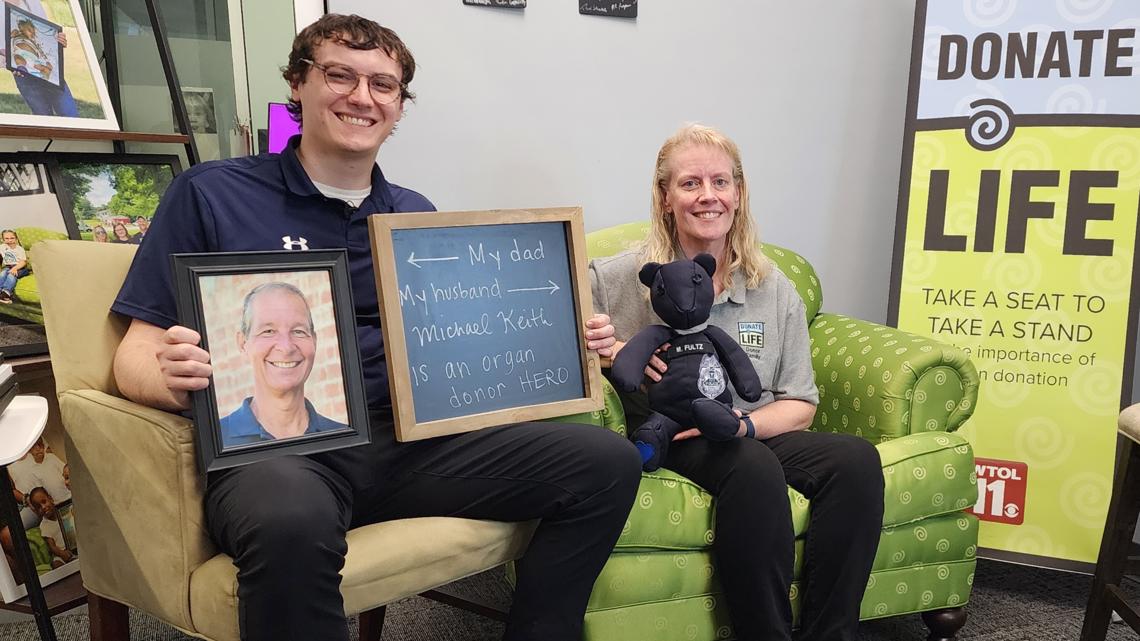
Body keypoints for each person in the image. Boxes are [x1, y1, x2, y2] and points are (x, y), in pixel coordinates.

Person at [110, 14, 640, 641]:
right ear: (298, 84)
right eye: (340, 75)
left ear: (397, 108)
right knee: (289, 520)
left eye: (383, 86)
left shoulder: (416, 217)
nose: (362, 98)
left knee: (606, 463)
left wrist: (568, 344)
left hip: (414, 442)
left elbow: (463, 348)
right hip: (286, 451)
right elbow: (133, 355)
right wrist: (169, 376)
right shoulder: (211, 195)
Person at [590, 123, 884, 641]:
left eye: (720, 182)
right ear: (664, 198)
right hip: (672, 435)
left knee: (856, 460)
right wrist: (609, 353)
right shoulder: (620, 277)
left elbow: (800, 405)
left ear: (739, 193)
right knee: (750, 468)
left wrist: (742, 425)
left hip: (754, 428)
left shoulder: (772, 287)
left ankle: (830, 634)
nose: (708, 196)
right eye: (690, 183)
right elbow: (560, 332)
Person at [220, 282, 348, 448]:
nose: (286, 347)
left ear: (314, 341)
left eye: (298, 331)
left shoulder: (342, 438)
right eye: (268, 331)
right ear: (243, 343)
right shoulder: (216, 439)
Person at [0, 0, 79, 117]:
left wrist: (57, 38)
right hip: (23, 75)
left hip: (49, 72)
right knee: (44, 120)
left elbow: (45, 33)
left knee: (70, 116)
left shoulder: (32, 2)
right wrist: (7, 61)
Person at [26, 486, 73, 568]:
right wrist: (62, 553)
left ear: (50, 499)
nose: (43, 507)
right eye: (39, 507)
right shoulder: (44, 526)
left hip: (75, 545)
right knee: (56, 563)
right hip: (62, 552)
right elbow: (52, 547)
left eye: (44, 502)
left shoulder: (63, 511)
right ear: (36, 511)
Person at [0, 228, 26, 303]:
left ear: (16, 239)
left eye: (12, 238)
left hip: (20, 267)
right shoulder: (2, 247)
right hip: (8, 267)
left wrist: (15, 268)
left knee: (11, 275)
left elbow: (23, 262)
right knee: (2, 274)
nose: (9, 240)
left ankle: (6, 293)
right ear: (3, 239)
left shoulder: (19, 249)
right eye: (6, 238)